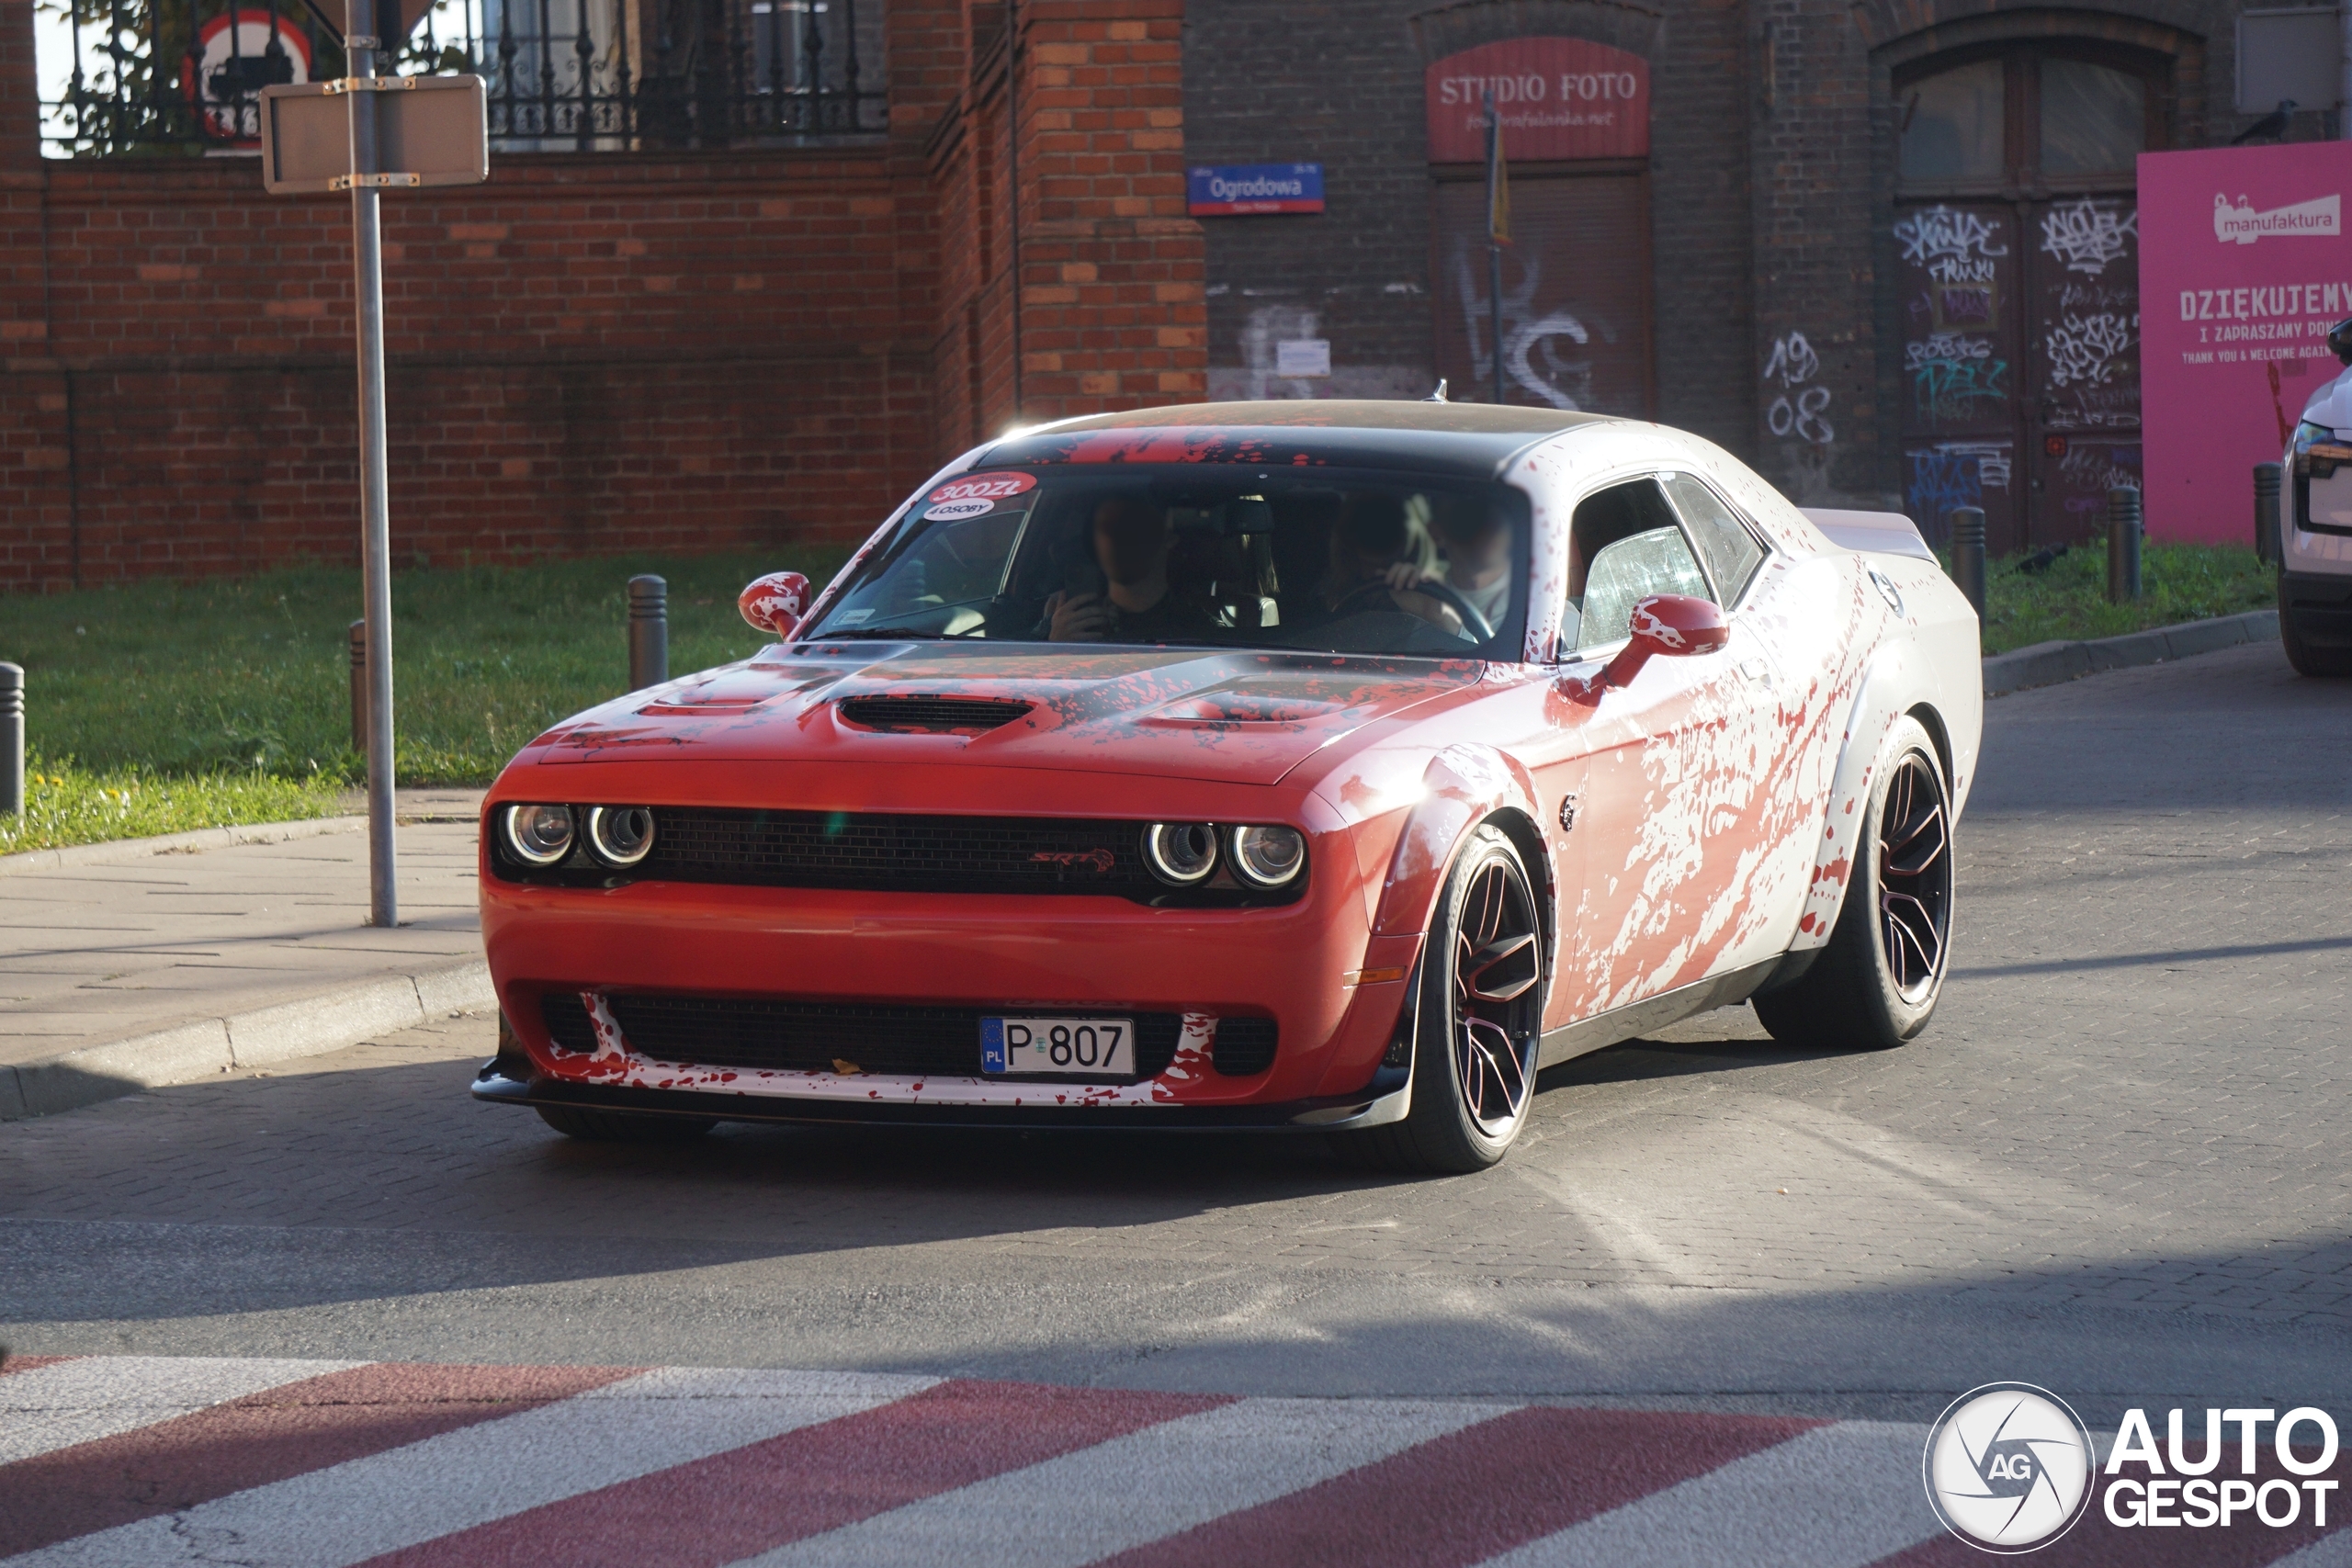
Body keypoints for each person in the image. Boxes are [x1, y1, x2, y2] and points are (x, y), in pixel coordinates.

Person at [1045, 494, 1220, 643]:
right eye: (1107, 528)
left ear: (1168, 538)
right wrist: (1056, 645)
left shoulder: (1199, 631)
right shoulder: (1065, 617)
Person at [1320, 492, 1466, 637]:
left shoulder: (1431, 593)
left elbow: (1476, 650)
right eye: (1365, 523)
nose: (1378, 533)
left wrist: (1439, 617)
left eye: (1389, 523)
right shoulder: (1321, 600)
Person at [1385, 492, 1511, 632]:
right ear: (1437, 534)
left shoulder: (1534, 602)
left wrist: (1446, 621)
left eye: (1495, 516)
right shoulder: (1425, 596)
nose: (1487, 527)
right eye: (1467, 516)